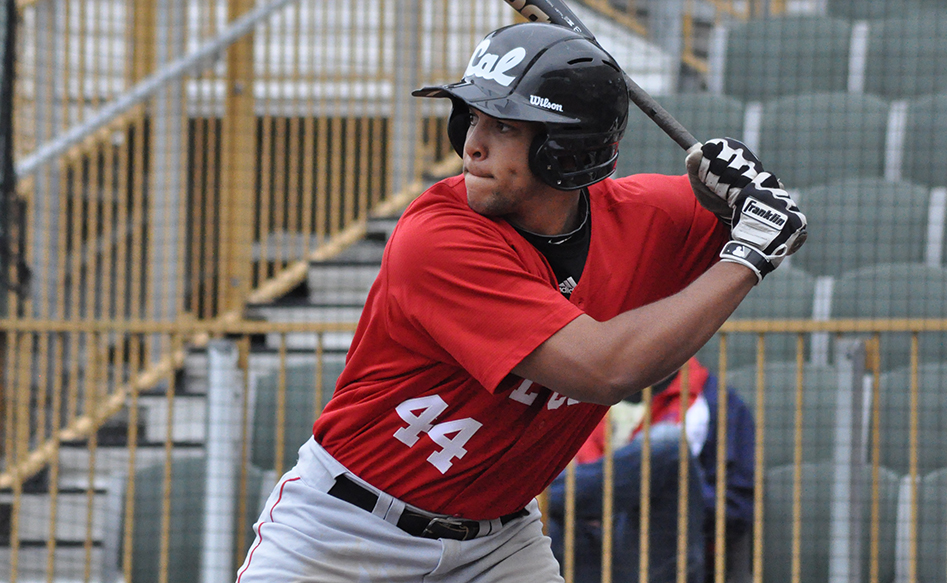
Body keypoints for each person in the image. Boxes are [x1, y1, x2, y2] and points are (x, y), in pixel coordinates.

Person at [235, 21, 806, 583]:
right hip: (345, 532)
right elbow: (605, 369)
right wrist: (747, 258)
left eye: (503, 125)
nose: (472, 144)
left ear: (568, 149)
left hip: (497, 544)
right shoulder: (438, 237)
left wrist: (752, 190)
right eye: (473, 117)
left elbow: (774, 217)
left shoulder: (648, 217)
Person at [547, 357, 756, 583]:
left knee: (667, 445)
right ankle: (551, 495)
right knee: (542, 519)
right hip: (580, 546)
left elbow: (736, 507)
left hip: (656, 549)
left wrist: (669, 490)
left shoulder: (716, 402)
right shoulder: (573, 393)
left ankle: (546, 494)